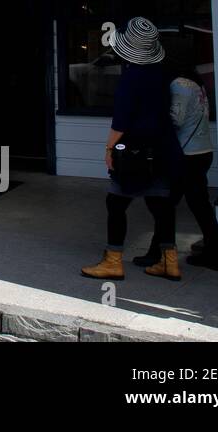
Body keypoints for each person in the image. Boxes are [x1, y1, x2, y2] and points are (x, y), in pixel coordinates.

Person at [81, 17, 184, 282]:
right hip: (162, 146)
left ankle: (113, 260)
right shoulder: (161, 73)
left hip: (134, 149)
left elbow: (122, 119)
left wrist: (109, 148)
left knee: (116, 203)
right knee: (161, 204)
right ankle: (169, 261)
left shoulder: (131, 76)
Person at [133, 65, 218, 271]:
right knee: (200, 206)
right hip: (201, 151)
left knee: (164, 205)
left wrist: (150, 123)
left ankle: (158, 254)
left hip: (185, 154)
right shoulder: (196, 84)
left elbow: (175, 119)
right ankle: (215, 253)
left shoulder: (179, 85)